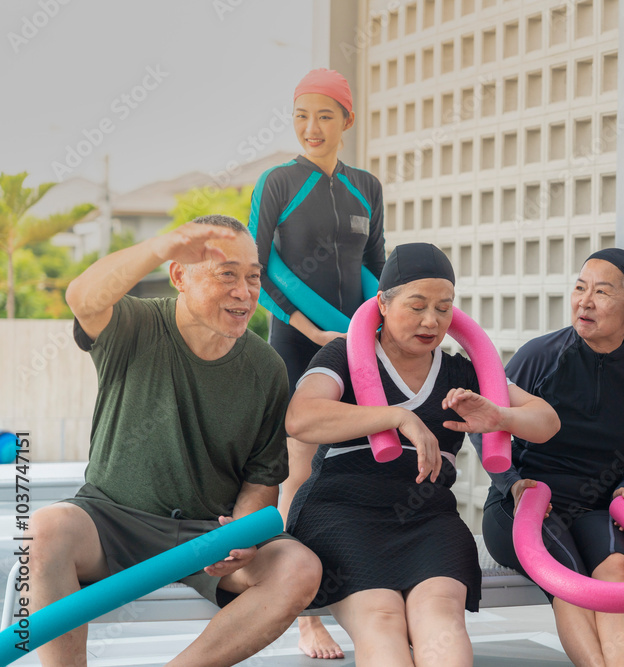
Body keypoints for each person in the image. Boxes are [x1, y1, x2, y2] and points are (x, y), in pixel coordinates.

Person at [30, 215, 322, 666]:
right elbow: (81, 296)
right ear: (179, 276)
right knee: (45, 530)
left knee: (299, 567)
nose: (244, 292)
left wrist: (242, 536)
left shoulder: (267, 368)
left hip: (207, 536)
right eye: (227, 275)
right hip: (111, 520)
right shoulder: (134, 325)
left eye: (252, 277)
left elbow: (261, 480)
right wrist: (161, 244)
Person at [284, 242, 560, 667]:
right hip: (342, 512)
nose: (431, 320)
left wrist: (500, 415)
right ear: (383, 304)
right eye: (417, 307)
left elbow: (547, 421)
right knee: (381, 618)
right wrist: (397, 417)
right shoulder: (344, 356)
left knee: (440, 617)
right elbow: (300, 417)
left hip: (427, 519)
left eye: (443, 308)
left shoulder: (462, 372)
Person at [249, 68, 386, 659]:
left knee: (360, 469)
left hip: (355, 342)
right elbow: (256, 269)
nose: (311, 127)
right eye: (302, 115)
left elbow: (376, 269)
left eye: (325, 115)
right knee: (300, 473)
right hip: (299, 342)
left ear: (346, 120)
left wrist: (378, 328)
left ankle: (364, 593)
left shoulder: (366, 187)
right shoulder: (278, 182)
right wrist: (313, 329)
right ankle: (306, 615)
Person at [478, 248, 624, 667]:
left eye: (602, 292)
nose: (585, 301)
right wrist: (512, 484)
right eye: (580, 287)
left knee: (619, 573)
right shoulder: (540, 355)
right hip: (524, 502)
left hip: (597, 507)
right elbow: (486, 424)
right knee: (570, 581)